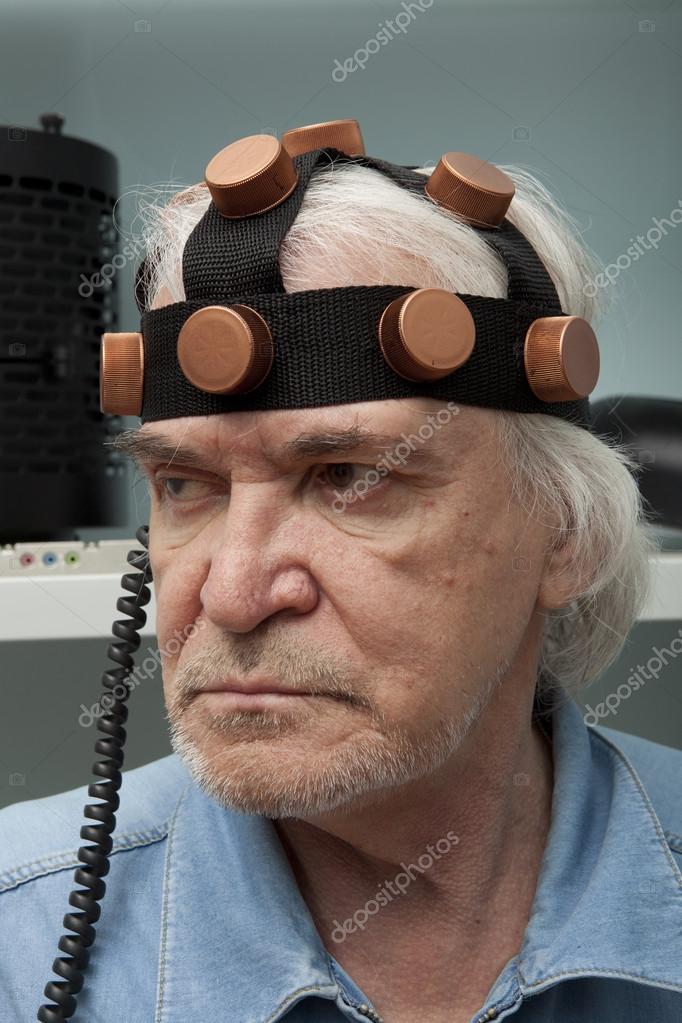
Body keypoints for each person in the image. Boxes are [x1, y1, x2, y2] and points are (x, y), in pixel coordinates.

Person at [1, 150, 681, 1023]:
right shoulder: (23, 935)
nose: (234, 595)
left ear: (566, 536)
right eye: (183, 485)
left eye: (350, 476)